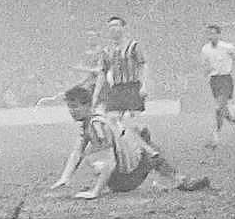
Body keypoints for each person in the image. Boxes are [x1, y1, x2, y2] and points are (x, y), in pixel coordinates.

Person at [51, 84, 209, 199]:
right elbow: (83, 154)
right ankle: (180, 180)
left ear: (87, 106)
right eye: (70, 107)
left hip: (117, 180)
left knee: (143, 140)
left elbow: (94, 157)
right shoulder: (95, 123)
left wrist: (90, 189)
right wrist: (71, 181)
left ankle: (173, 179)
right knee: (149, 147)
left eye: (75, 107)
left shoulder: (94, 124)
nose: (72, 111)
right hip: (123, 180)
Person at [92, 16, 149, 130]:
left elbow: (142, 65)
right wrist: (96, 94)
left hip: (132, 87)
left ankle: (143, 135)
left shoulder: (133, 46)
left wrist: (143, 85)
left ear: (123, 28)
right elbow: (102, 73)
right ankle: (121, 140)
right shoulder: (106, 51)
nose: (113, 29)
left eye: (116, 25)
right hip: (116, 88)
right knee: (111, 119)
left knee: (133, 121)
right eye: (110, 27)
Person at [200, 24, 235, 147]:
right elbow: (205, 64)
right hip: (214, 80)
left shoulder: (227, 47)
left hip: (225, 79)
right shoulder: (205, 49)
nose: (211, 36)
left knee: (219, 107)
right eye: (209, 33)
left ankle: (215, 137)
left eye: (213, 33)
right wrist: (206, 72)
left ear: (219, 35)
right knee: (224, 111)